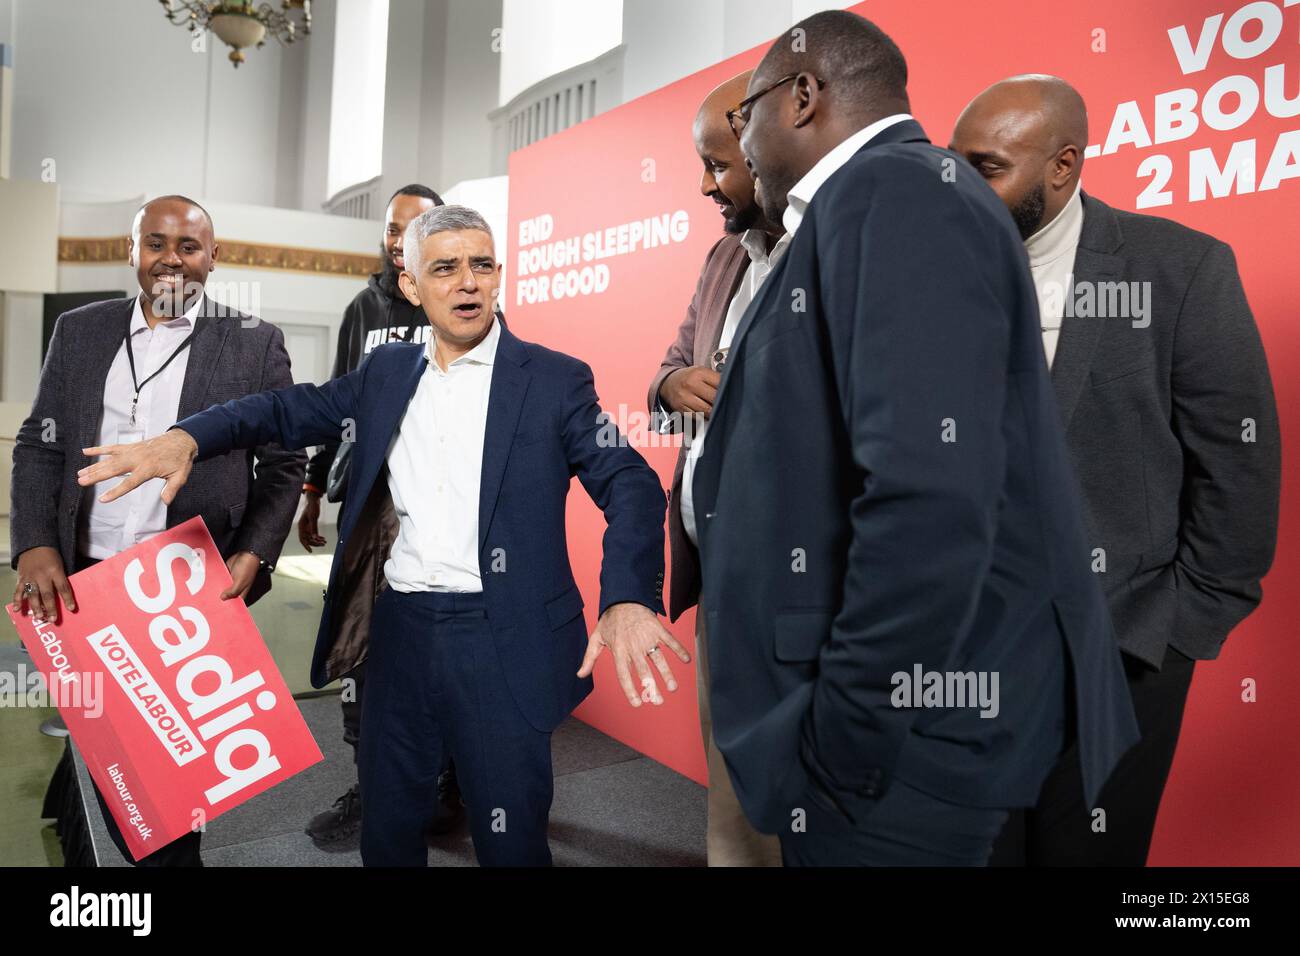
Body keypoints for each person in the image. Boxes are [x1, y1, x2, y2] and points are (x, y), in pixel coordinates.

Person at [77, 204, 689, 867]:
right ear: (411, 285)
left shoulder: (553, 380)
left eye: (481, 266)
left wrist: (629, 594)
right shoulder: (387, 373)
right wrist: (187, 437)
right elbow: (285, 409)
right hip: (393, 639)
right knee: (389, 836)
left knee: (511, 844)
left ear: (499, 276)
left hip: (500, 640)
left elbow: (628, 480)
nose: (467, 284)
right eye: (445, 268)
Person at [692, 9, 1139, 866]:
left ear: (802, 95)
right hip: (896, 737)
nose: (738, 146)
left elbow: (929, 495)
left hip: (896, 751)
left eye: (742, 117)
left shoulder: (892, 193)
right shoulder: (872, 204)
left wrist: (847, 742)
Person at [950, 74, 1281, 866]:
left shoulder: (1180, 269)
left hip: (1119, 659)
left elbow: (1238, 469)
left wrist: (1169, 637)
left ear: (1062, 167)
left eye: (986, 167)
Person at [11, 194, 305, 866]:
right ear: (133, 250)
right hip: (84, 580)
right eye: (156, 243)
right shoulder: (80, 331)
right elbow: (39, 445)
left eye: (189, 246)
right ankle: (88, 830)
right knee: (102, 738)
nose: (170, 259)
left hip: (186, 590)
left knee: (175, 778)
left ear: (214, 257)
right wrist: (33, 542)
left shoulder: (254, 341)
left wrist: (255, 552)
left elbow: (285, 464)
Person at [295, 183, 462, 847]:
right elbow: (336, 399)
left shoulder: (460, 300)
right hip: (369, 514)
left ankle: (449, 791)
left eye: (413, 227)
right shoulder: (363, 306)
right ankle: (373, 789)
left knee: (437, 660)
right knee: (361, 655)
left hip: (439, 516)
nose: (397, 239)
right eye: (392, 228)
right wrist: (312, 488)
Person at [648, 70, 786, 867]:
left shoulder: (836, 249)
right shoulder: (724, 258)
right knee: (733, 801)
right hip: (720, 579)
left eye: (718, 164)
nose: (705, 185)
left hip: (801, 587)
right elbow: (669, 362)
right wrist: (672, 385)